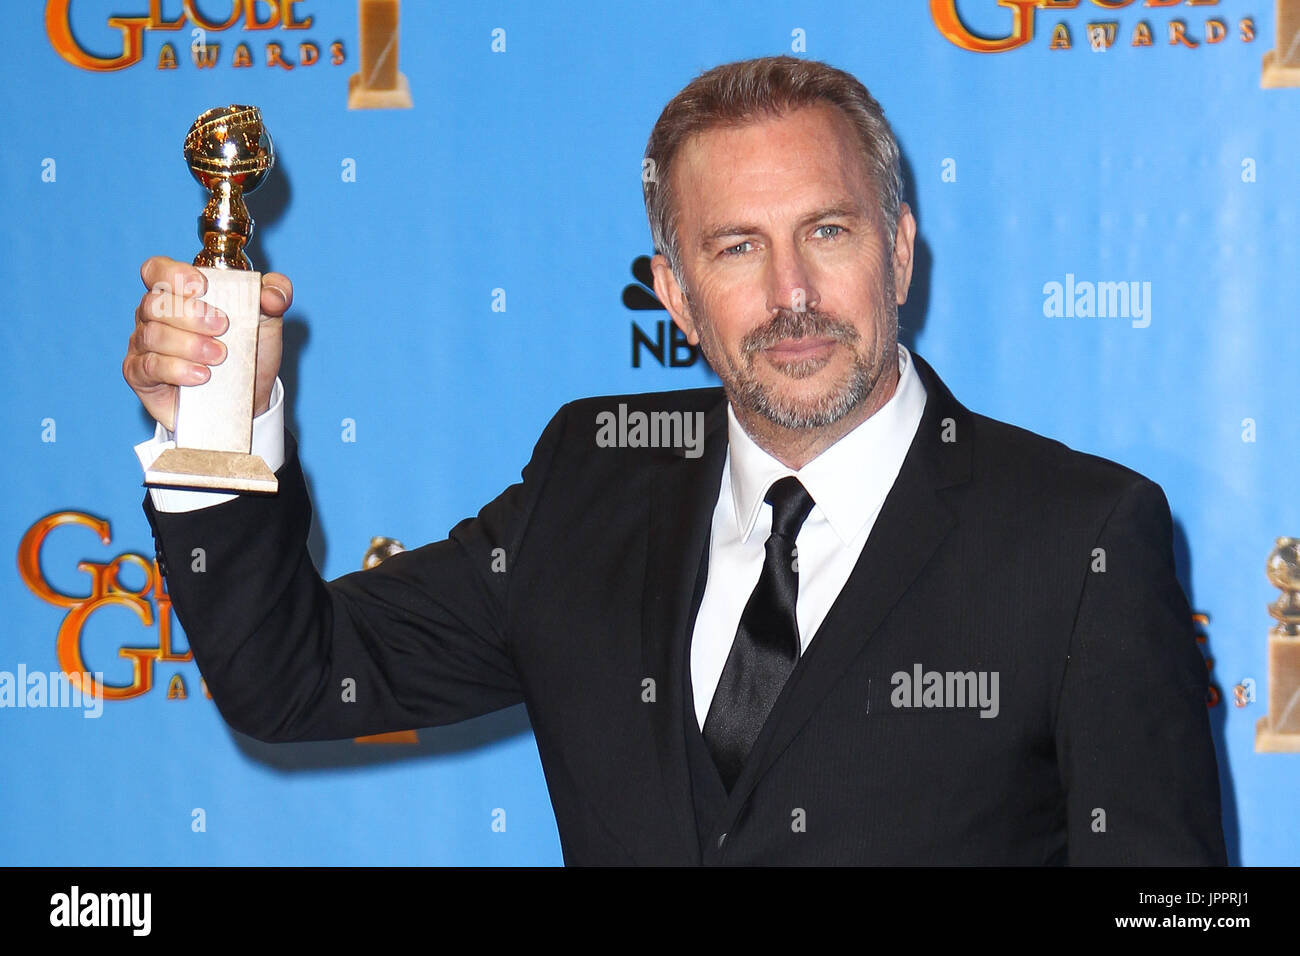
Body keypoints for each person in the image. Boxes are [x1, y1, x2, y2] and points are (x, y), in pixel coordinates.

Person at [123, 55, 1227, 865]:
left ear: (897, 250)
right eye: (736, 247)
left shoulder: (1079, 535)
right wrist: (225, 413)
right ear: (676, 296)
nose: (790, 293)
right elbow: (295, 676)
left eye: (828, 231)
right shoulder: (594, 480)